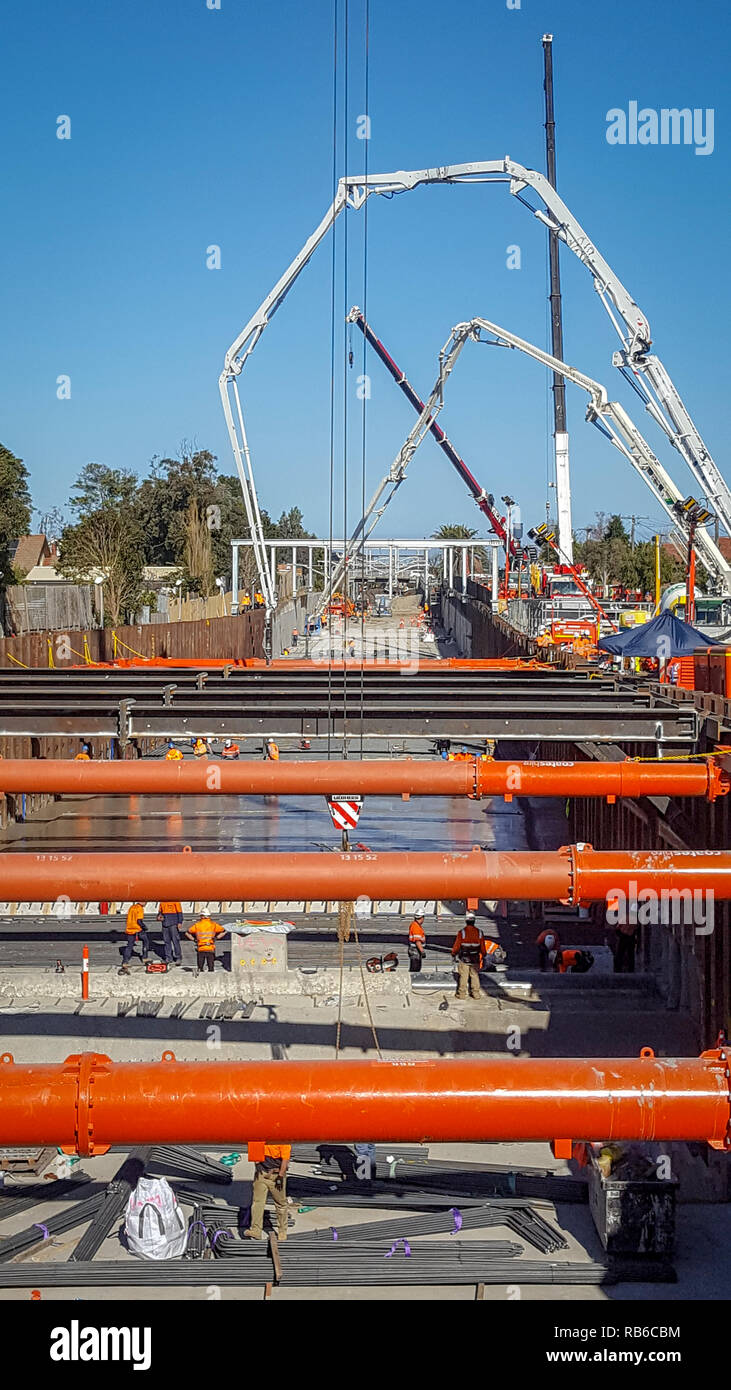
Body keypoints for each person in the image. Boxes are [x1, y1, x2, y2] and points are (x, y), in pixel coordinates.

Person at [245, 1142, 291, 1242]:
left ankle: (282, 1231)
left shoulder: (283, 1141)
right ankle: (256, 1230)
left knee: (280, 1204)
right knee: (257, 1203)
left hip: (276, 1175)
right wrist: (257, 1166)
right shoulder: (258, 1138)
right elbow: (255, 1155)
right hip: (262, 1174)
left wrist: (280, 1176)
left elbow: (285, 1160)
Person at [451, 911, 488, 1000]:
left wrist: (453, 953)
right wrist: (484, 954)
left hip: (464, 958)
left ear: (466, 921)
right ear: (474, 921)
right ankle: (476, 994)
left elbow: (457, 945)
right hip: (475, 958)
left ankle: (462, 994)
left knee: (463, 976)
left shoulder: (462, 932)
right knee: (474, 975)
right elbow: (482, 946)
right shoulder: (479, 932)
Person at [119, 902, 150, 974]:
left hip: (130, 929)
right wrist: (144, 927)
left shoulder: (131, 907)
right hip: (137, 929)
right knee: (146, 941)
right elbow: (139, 921)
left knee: (129, 946)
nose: (146, 904)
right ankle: (145, 958)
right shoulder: (140, 908)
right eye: (145, 902)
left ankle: (125, 962)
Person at [157, 900, 184, 966]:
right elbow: (160, 912)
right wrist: (159, 916)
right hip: (165, 924)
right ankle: (168, 958)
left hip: (173, 924)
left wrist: (180, 922)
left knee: (175, 941)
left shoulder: (175, 901)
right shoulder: (162, 902)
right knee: (166, 942)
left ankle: (178, 958)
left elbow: (179, 912)